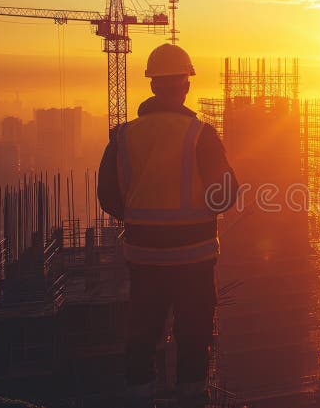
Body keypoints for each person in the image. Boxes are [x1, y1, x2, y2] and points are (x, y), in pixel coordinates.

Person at [98, 43, 239, 408]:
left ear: (153, 85)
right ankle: (191, 399)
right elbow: (226, 195)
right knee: (193, 336)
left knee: (142, 336)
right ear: (186, 86)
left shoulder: (124, 136)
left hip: (144, 259)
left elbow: (108, 197)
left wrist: (141, 215)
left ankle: (139, 398)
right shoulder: (200, 135)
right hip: (194, 261)